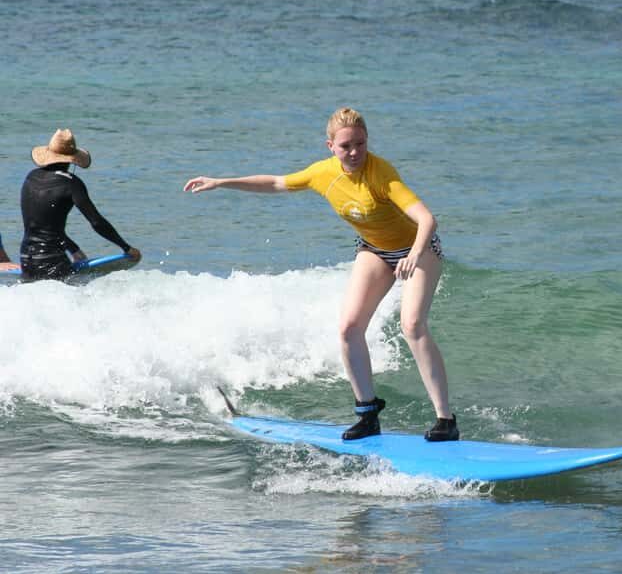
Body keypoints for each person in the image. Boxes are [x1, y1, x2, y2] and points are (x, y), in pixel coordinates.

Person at [184, 107, 459, 442]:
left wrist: (415, 254)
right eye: (346, 146)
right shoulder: (322, 173)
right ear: (330, 146)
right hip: (374, 250)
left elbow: (427, 219)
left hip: (419, 249)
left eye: (360, 143)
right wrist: (221, 182)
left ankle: (445, 420)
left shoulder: (382, 173)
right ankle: (367, 413)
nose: (355, 152)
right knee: (348, 328)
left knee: (412, 325)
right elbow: (274, 182)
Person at [20, 129, 141, 281]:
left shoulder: (31, 177)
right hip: (52, 259)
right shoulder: (71, 183)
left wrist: (74, 250)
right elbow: (96, 222)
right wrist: (126, 248)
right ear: (71, 159)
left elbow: (42, 226)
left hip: (26, 258)